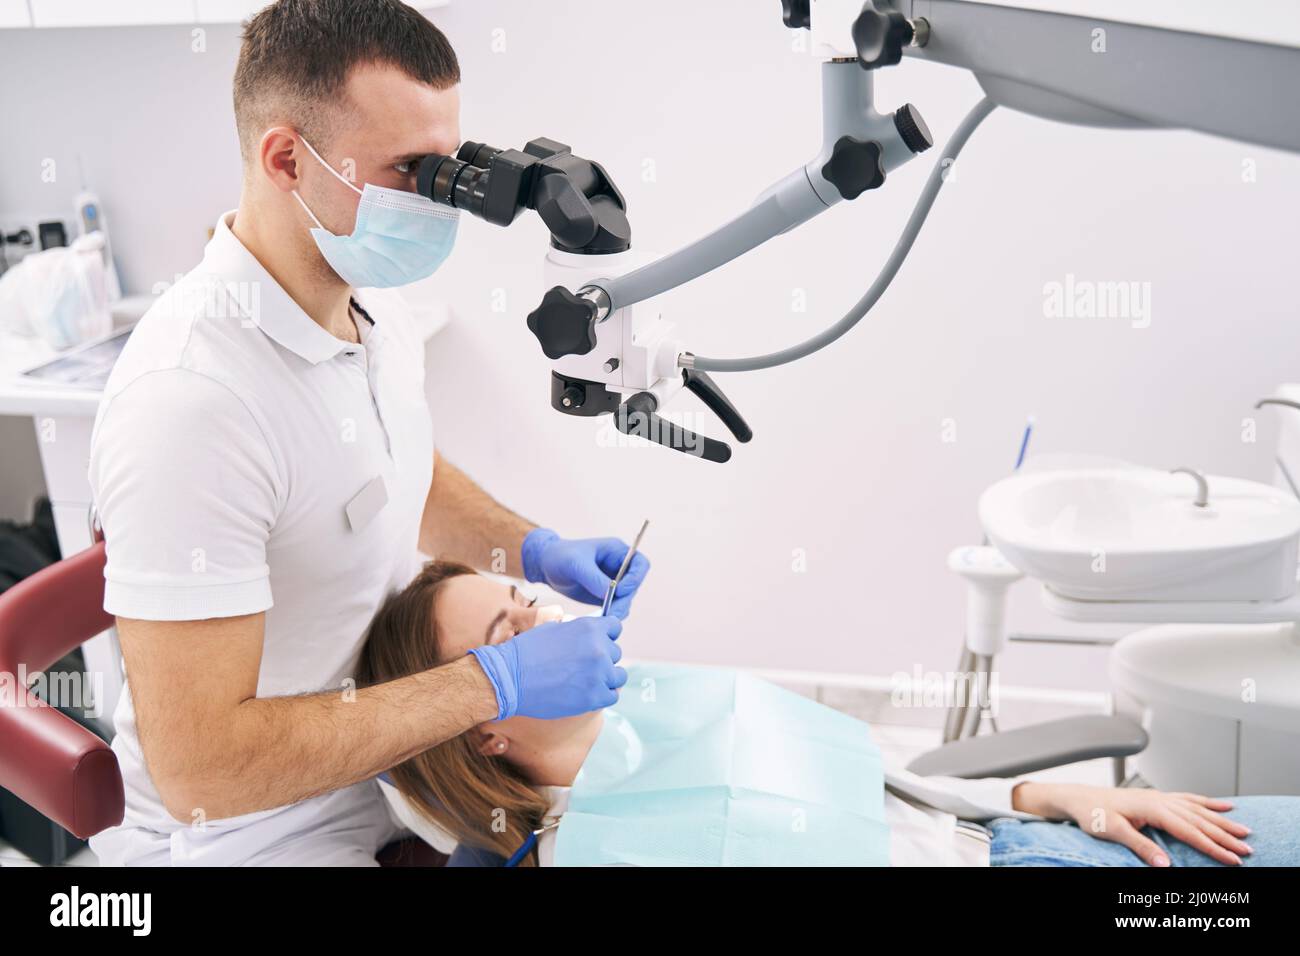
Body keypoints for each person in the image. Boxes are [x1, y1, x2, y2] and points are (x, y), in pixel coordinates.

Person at [87, 0, 648, 866]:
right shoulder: (191, 404)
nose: (438, 202)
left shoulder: (366, 301)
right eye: (408, 171)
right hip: (242, 825)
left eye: (447, 167)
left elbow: (388, 474)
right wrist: (486, 685)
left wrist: (532, 551)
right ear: (286, 159)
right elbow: (206, 772)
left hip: (381, 762)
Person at [360, 560, 1299, 867]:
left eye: (526, 593)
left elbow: (881, 783)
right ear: (484, 721)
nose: (543, 612)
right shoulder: (586, 849)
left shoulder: (666, 698)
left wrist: (1044, 793)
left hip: (1035, 838)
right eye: (508, 625)